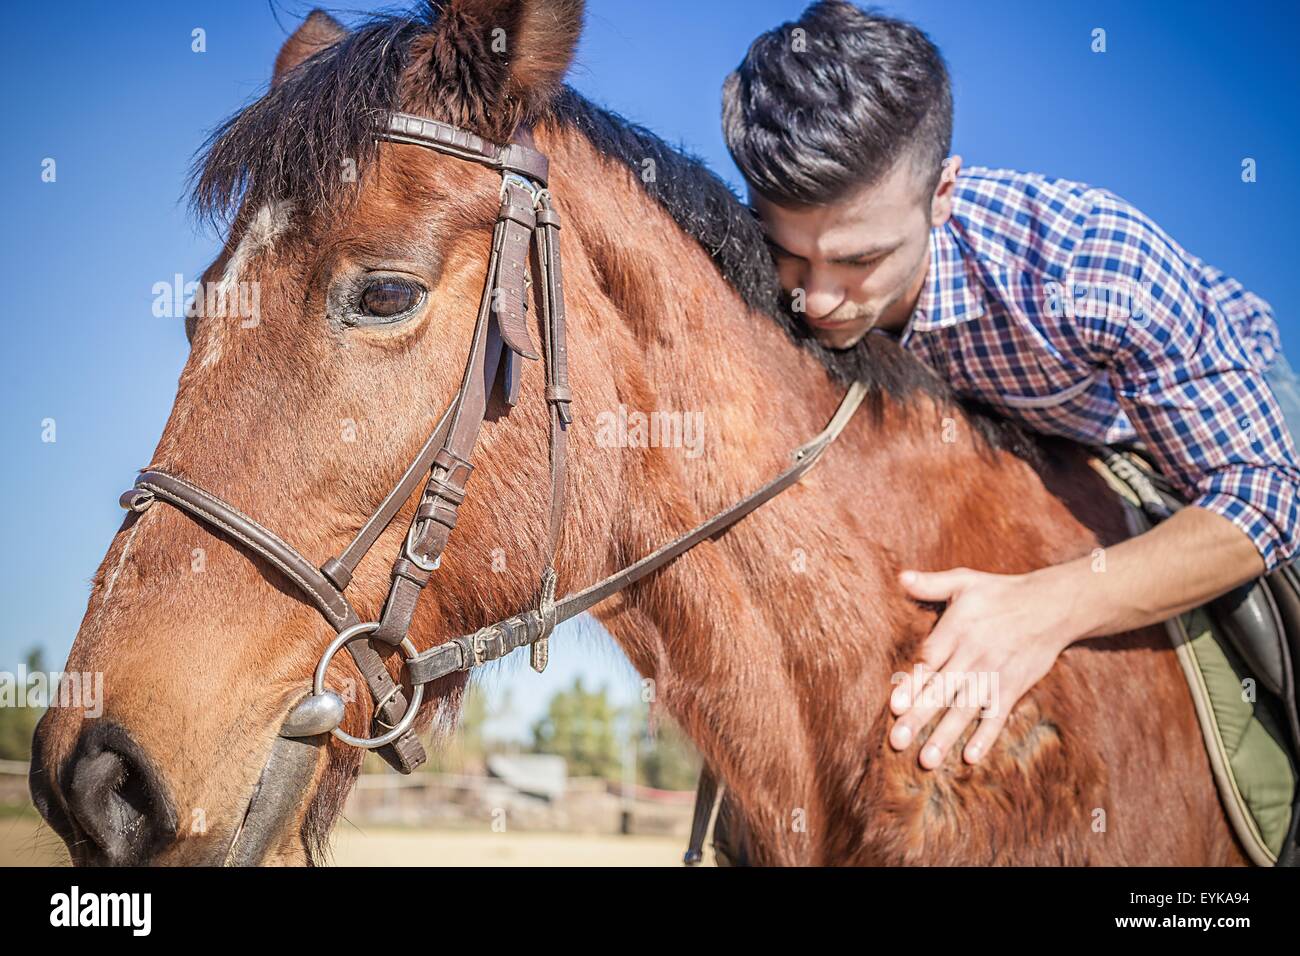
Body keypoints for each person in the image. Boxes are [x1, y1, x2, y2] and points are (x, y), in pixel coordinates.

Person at [721, 0, 1300, 770]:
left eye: (862, 261)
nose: (819, 301)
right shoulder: (766, 268)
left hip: (1193, 413)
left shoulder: (1092, 262)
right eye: (789, 254)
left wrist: (1043, 609)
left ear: (944, 193)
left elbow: (1264, 494)